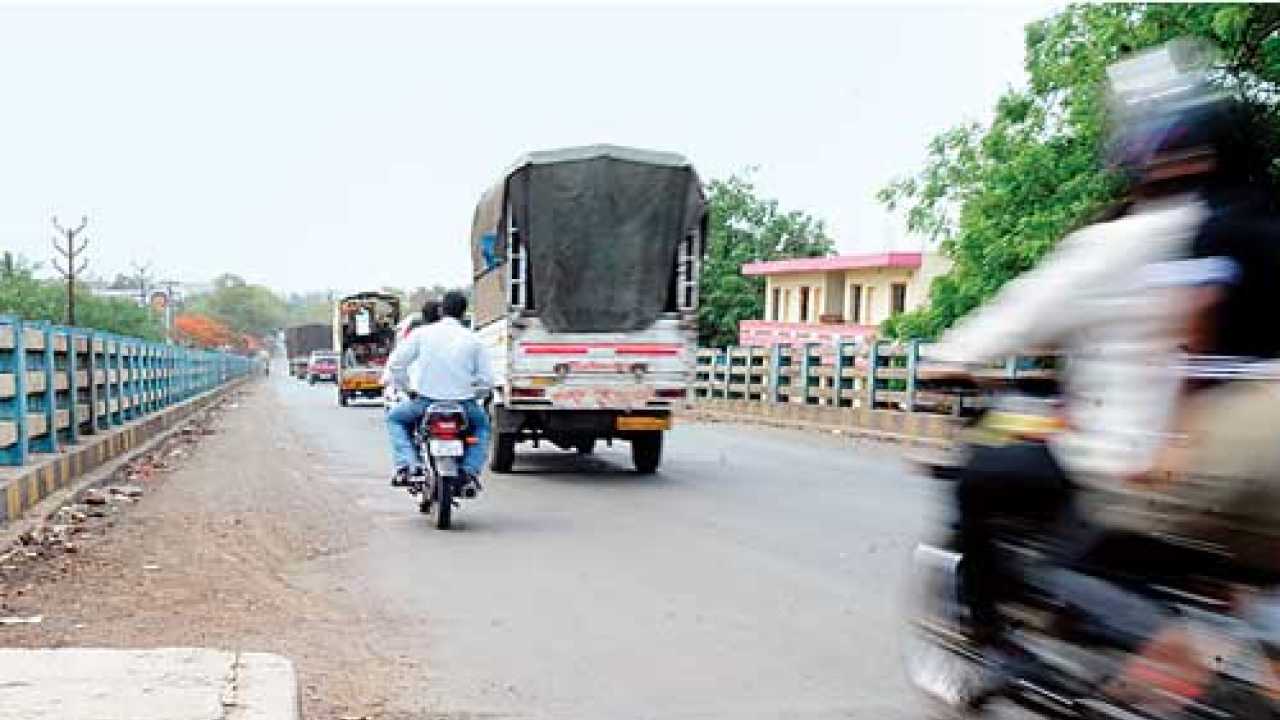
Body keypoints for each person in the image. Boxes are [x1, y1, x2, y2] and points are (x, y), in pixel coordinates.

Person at [384, 291, 491, 487]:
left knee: (395, 419)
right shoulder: (474, 340)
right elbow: (486, 381)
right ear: (464, 312)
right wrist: (474, 394)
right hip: (463, 404)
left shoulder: (421, 334)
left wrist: (407, 389)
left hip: (425, 401)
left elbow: (395, 366)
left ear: (441, 310)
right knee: (482, 426)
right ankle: (469, 471)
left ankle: (408, 465)